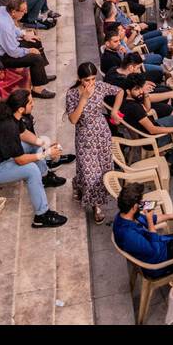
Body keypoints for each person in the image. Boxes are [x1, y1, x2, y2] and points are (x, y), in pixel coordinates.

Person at [0, 89, 68, 228]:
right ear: (21, 108)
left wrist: (45, 144)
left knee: (35, 144)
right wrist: (46, 154)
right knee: (31, 170)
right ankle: (42, 216)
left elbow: (23, 133)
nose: (34, 104)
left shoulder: (11, 115)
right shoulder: (8, 127)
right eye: (30, 102)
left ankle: (44, 177)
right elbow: (20, 160)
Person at [65, 62, 117, 224]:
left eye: (93, 79)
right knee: (89, 172)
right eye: (87, 79)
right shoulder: (72, 94)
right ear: (80, 79)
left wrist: (114, 110)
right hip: (84, 137)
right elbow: (73, 119)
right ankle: (92, 200)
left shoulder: (100, 87)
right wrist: (84, 99)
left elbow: (120, 91)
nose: (91, 83)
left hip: (101, 133)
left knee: (102, 168)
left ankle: (96, 204)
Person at [111, 181, 173, 276]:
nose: (143, 204)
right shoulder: (128, 235)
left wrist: (172, 216)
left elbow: (153, 217)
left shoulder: (126, 213)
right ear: (134, 207)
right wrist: (150, 220)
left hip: (161, 243)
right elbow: (155, 250)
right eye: (140, 202)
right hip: (159, 263)